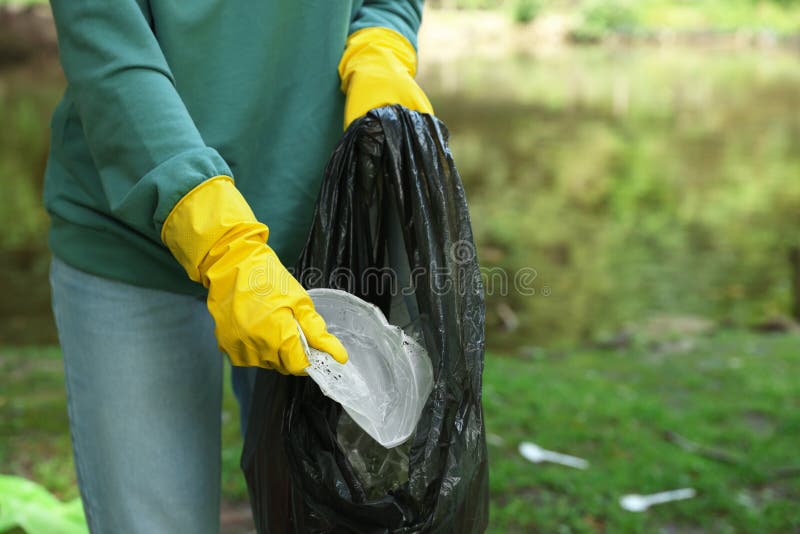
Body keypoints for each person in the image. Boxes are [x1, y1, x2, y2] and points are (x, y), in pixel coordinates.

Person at [44, 1, 433, 532]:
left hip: (313, 245)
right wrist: (221, 243)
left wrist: (380, 46)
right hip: (132, 242)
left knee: (322, 517)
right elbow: (108, 44)